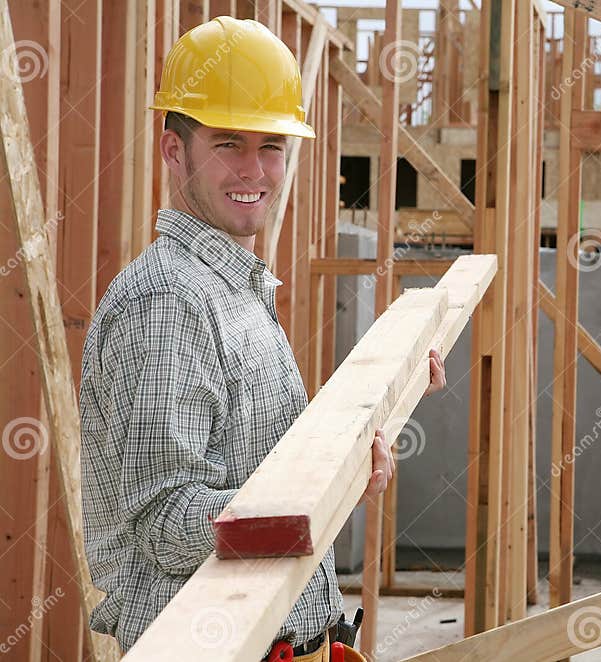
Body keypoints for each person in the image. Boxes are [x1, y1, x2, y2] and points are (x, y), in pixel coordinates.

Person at [78, 16, 445, 661]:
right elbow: (167, 522)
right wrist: (318, 496)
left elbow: (261, 465)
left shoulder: (235, 289)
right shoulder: (166, 303)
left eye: (270, 145)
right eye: (228, 143)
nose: (255, 170)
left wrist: (354, 455)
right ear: (174, 151)